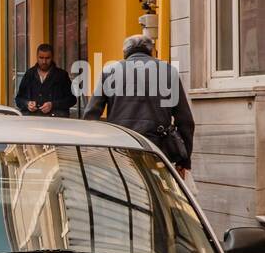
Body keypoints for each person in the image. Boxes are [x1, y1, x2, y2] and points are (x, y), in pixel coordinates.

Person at [83, 34, 195, 174]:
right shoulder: (168, 72)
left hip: (120, 146)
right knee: (155, 190)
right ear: (151, 51)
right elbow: (185, 121)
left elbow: (91, 114)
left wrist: (91, 149)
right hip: (156, 149)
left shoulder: (109, 71)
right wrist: (184, 160)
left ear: (125, 52)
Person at [15, 43, 76, 118]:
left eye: (47, 58)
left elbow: (72, 100)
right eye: (41, 58)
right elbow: (18, 99)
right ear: (37, 57)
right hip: (32, 120)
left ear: (52, 57)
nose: (44, 61)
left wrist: (53, 105)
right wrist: (27, 104)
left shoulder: (61, 75)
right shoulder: (29, 74)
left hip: (56, 121)